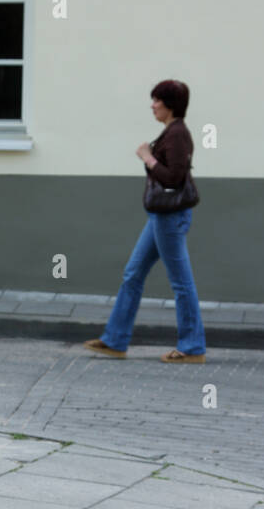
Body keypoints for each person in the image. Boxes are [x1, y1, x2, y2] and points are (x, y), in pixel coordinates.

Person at [84, 79, 206, 363]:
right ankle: (115, 340)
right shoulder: (171, 132)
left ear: (170, 104)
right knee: (133, 274)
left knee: (181, 283)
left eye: (157, 100)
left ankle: (192, 347)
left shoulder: (177, 134)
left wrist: (147, 157)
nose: (152, 105)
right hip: (159, 218)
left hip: (169, 218)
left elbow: (174, 178)